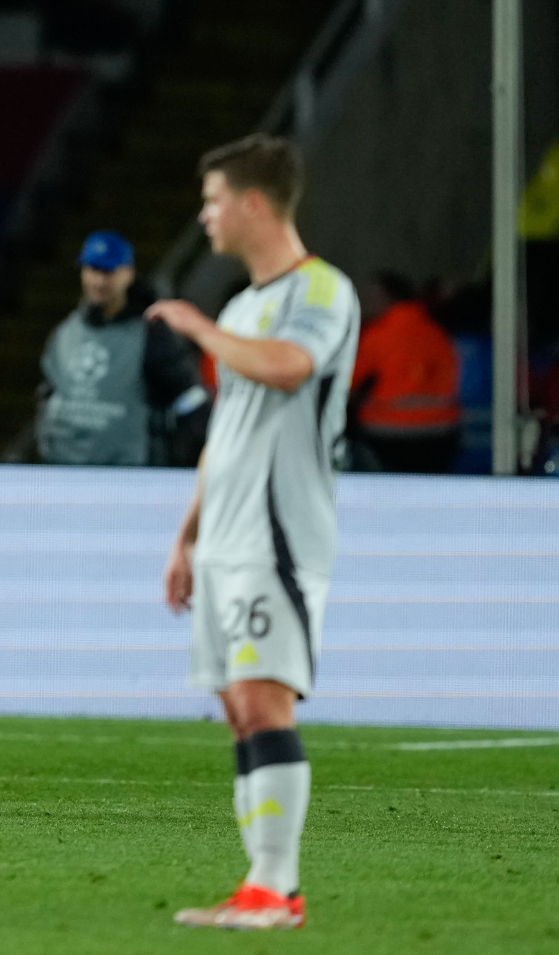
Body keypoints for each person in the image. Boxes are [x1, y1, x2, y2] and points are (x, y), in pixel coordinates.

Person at [146, 133, 359, 931]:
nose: (205, 215)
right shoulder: (241, 306)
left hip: (280, 535)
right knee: (239, 707)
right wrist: (187, 536)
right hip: (228, 538)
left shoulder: (321, 291)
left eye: (212, 200)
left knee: (265, 701)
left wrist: (199, 330)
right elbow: (228, 430)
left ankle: (278, 889)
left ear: (254, 204)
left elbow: (287, 368)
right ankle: (261, 885)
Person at [34, 229, 209, 466]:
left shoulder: (150, 333)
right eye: (92, 270)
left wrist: (179, 454)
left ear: (127, 274)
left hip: (127, 475)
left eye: (107, 272)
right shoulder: (67, 332)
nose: (98, 281)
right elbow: (49, 392)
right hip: (65, 469)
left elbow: (189, 399)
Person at [348, 270, 460, 473]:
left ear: (388, 298)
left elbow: (348, 384)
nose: (365, 303)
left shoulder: (378, 334)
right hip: (441, 429)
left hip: (388, 431)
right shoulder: (437, 333)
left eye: (372, 297)